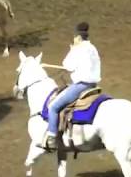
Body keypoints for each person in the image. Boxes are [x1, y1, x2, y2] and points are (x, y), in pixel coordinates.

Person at [41, 22, 101, 150]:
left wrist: (71, 49)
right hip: (93, 85)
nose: (73, 40)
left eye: (74, 37)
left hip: (81, 85)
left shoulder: (78, 49)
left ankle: (51, 137)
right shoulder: (93, 48)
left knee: (53, 106)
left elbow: (68, 65)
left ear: (78, 37)